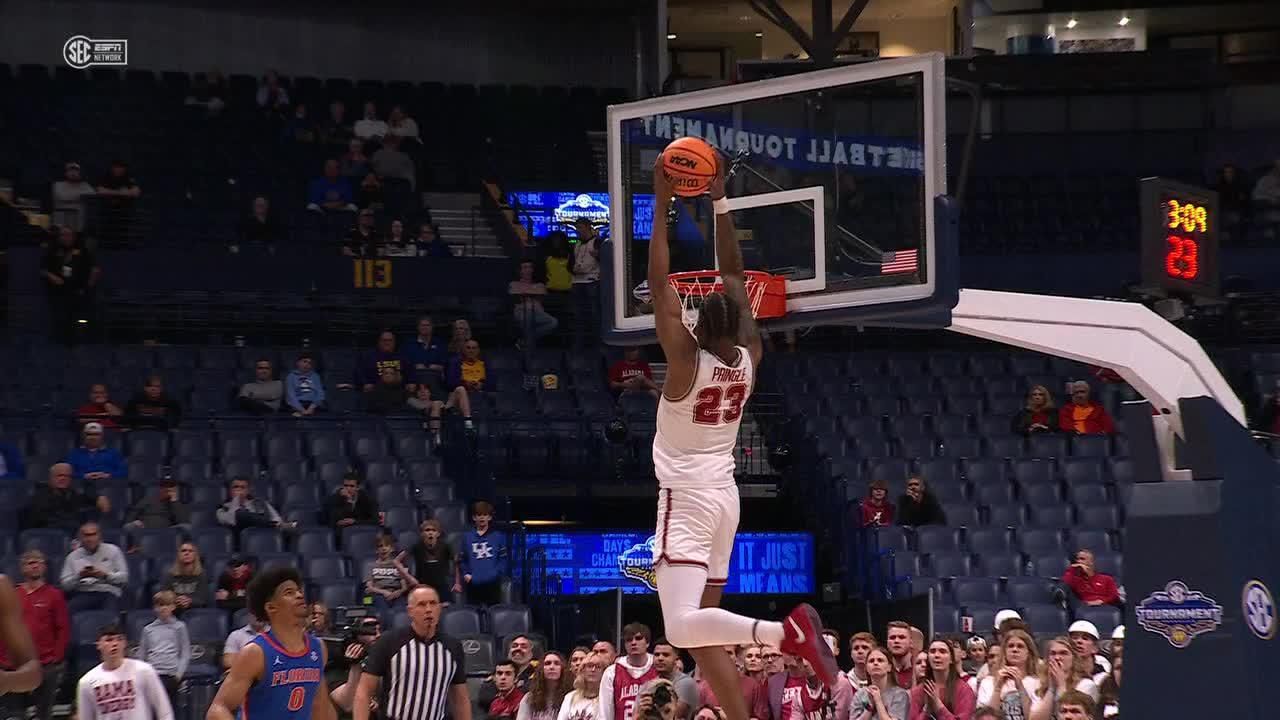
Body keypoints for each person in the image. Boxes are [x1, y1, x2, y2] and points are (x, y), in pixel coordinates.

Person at [646, 153, 836, 719]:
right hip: (725, 499)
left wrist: (663, 198)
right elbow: (733, 275)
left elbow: (659, 282)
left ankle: (784, 634)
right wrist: (720, 199)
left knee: (680, 629)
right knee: (703, 637)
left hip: (686, 500)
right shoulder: (749, 357)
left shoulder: (685, 363)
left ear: (698, 326)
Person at [207, 566, 334, 720]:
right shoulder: (256, 652)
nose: (300, 595)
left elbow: (320, 704)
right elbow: (217, 709)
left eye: (299, 591)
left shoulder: (318, 647)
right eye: (289, 593)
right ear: (271, 607)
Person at [353, 586, 470, 720]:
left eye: (433, 603)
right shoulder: (389, 642)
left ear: (439, 608)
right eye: (421, 604)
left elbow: (460, 699)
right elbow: (364, 692)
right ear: (410, 611)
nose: (428, 610)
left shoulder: (453, 647)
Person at [0, 551, 67, 720]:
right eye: (30, 563)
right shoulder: (16, 593)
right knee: (15, 715)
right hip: (10, 663)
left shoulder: (53, 594)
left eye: (38, 562)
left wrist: (55, 658)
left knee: (44, 712)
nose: (35, 565)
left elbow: (63, 628)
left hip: (45, 662)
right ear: (22, 568)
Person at [76, 623, 173, 720]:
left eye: (119, 639)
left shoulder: (144, 671)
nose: (115, 644)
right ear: (98, 644)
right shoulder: (87, 682)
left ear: (125, 643)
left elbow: (164, 711)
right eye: (109, 640)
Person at [42, 225, 100, 343]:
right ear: (59, 236)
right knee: (59, 319)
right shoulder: (53, 250)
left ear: (74, 236)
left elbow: (95, 269)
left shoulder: (82, 250)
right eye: (63, 235)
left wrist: (88, 286)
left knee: (77, 320)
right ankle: (58, 344)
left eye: (69, 234)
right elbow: (43, 269)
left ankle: (76, 343)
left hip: (77, 291)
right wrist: (52, 277)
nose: (66, 237)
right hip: (58, 291)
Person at [60, 522, 128, 613]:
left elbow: (124, 578)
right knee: (66, 611)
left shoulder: (113, 550)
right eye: (86, 535)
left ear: (100, 536)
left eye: (93, 535)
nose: (90, 539)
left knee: (110, 615)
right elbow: (64, 586)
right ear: (80, 538)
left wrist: (105, 575)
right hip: (83, 593)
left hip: (108, 592)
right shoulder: (72, 556)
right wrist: (79, 576)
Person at [139, 590, 190, 710]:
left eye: (167, 605)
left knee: (170, 709)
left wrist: (178, 675)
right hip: (153, 674)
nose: (163, 608)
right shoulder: (148, 629)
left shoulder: (180, 627)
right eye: (160, 605)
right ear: (155, 608)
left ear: (173, 607)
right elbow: (142, 654)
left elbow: (185, 653)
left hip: (171, 675)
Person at [975, 630, 1039, 720]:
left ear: (1028, 653)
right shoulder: (987, 682)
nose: (1015, 649)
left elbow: (1034, 718)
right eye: (1010, 646)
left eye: (1020, 646)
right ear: (1004, 652)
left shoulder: (1037, 683)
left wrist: (1021, 687)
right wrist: (997, 689)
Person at [600, 623, 657, 720]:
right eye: (629, 640)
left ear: (647, 643)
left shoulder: (657, 667)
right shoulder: (612, 672)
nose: (633, 642)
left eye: (638, 638)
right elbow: (605, 712)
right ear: (625, 645)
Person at [909, 639, 975, 720]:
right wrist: (926, 710)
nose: (937, 655)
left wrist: (938, 705)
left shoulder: (964, 690)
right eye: (932, 651)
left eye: (942, 651)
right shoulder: (918, 691)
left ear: (951, 659)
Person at [459, 501, 509, 606]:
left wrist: (496, 574)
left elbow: (503, 559)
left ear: (489, 518)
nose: (482, 518)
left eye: (485, 515)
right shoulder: (467, 537)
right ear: (474, 518)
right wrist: (466, 574)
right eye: (479, 515)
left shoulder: (498, 536)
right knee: (473, 614)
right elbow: (463, 559)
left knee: (494, 613)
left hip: (493, 584)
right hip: (473, 584)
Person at [403, 518, 460, 603]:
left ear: (438, 533)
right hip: (423, 587)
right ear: (422, 533)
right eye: (427, 530)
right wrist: (409, 578)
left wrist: (457, 582)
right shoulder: (416, 547)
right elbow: (397, 561)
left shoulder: (445, 546)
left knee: (445, 609)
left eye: (433, 530)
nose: (430, 532)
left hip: (442, 587)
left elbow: (457, 563)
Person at [851, 647, 909, 720]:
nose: (875, 663)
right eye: (871, 661)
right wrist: (870, 707)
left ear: (889, 667)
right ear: (866, 668)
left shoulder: (900, 695)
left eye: (880, 660)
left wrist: (878, 700)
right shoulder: (860, 694)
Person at [158, 541, 212, 613]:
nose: (187, 553)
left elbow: (203, 599)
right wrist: (177, 601)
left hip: (195, 611)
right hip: (174, 611)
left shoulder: (201, 574)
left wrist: (190, 601)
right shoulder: (170, 575)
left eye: (190, 551)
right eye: (183, 551)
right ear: (179, 555)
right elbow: (164, 595)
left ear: (195, 555)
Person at [365, 532, 410, 618]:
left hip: (396, 595)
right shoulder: (370, 566)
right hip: (379, 594)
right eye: (380, 546)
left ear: (392, 548)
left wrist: (398, 592)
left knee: (401, 611)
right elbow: (369, 587)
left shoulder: (398, 565)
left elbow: (404, 587)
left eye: (386, 546)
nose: (384, 548)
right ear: (376, 550)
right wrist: (384, 592)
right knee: (383, 611)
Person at [518, 651, 572, 720]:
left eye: (557, 663)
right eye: (547, 663)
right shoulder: (529, 698)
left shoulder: (570, 698)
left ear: (562, 669)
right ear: (541, 669)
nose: (552, 667)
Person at [652, 639, 697, 720]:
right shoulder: (648, 685)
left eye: (666, 655)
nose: (660, 658)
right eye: (656, 654)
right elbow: (637, 714)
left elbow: (675, 714)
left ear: (676, 659)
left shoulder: (686, 683)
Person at [125, 477, 190, 530]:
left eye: (171, 489)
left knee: (186, 526)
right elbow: (131, 517)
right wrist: (135, 523)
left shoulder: (176, 504)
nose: (168, 491)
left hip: (167, 531)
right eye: (165, 487)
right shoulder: (147, 500)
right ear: (160, 489)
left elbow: (183, 521)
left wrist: (174, 501)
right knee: (128, 526)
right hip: (145, 530)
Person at [558, 654, 603, 720]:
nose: (593, 670)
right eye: (590, 666)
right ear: (582, 670)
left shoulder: (605, 699)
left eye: (598, 667)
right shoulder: (570, 697)